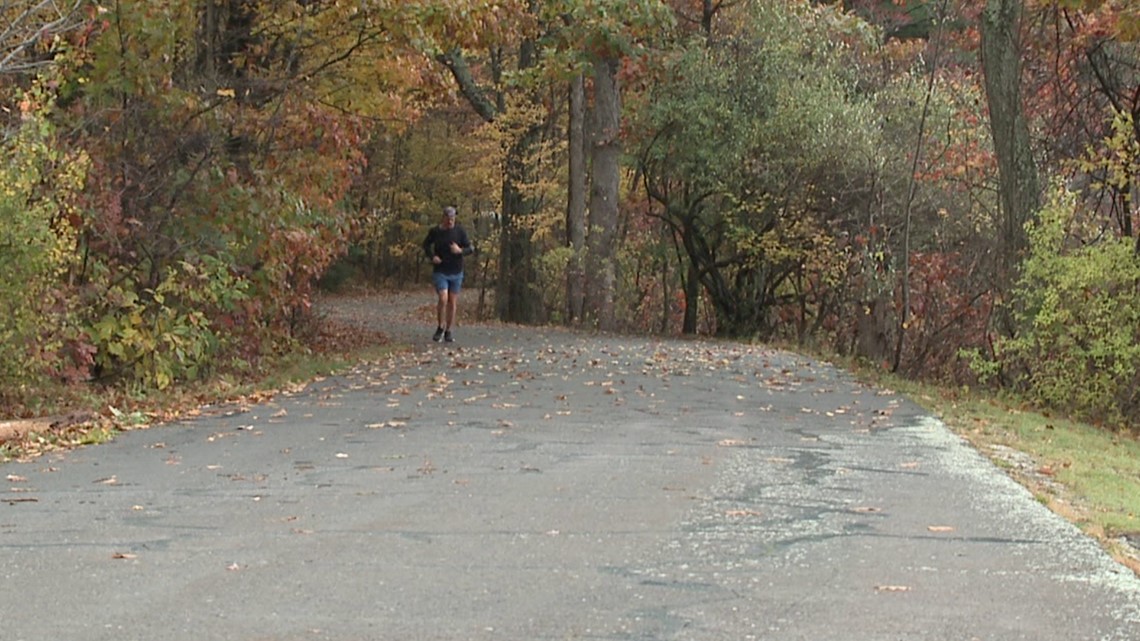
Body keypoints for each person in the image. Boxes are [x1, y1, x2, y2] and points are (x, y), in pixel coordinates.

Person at [422, 205, 474, 342]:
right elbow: (426, 245)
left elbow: (471, 248)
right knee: (443, 298)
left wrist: (460, 251)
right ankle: (440, 326)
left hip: (456, 270)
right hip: (441, 270)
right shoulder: (435, 231)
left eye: (453, 218)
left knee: (452, 301)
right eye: (448, 218)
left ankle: (449, 331)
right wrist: (432, 256)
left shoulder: (460, 231)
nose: (451, 221)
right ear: (443, 218)